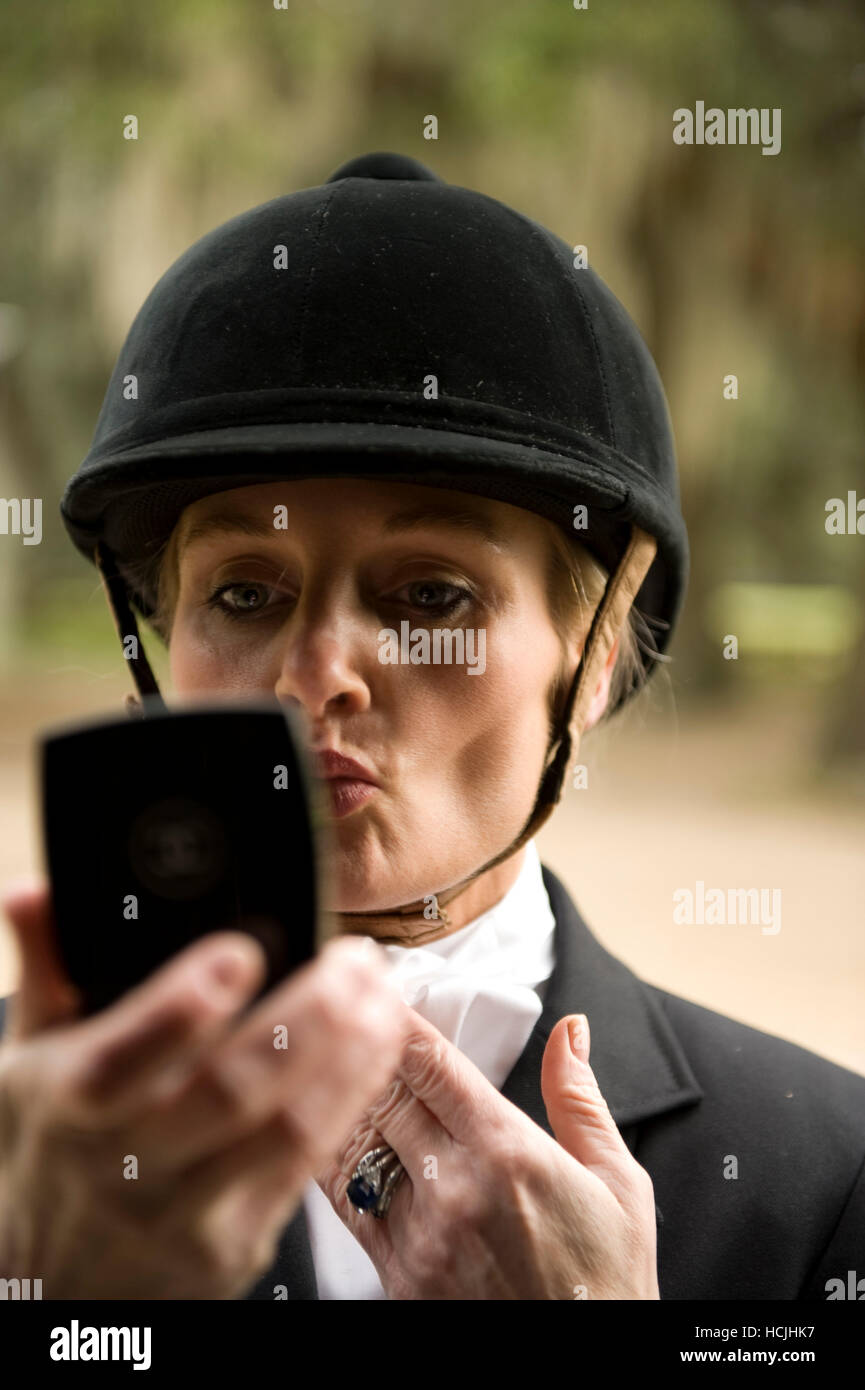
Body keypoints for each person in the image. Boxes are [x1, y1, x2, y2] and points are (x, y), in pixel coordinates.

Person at [1, 153, 863, 1301]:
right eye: (246, 594)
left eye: (429, 596)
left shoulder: (827, 1181)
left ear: (593, 655)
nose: (317, 677)